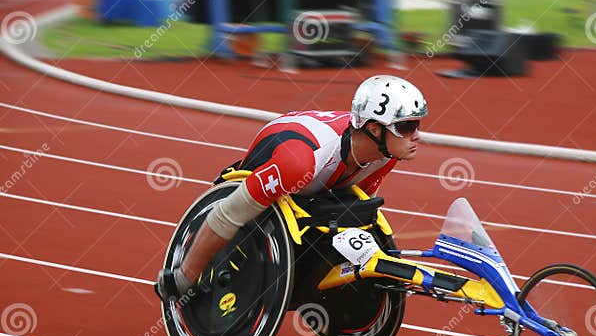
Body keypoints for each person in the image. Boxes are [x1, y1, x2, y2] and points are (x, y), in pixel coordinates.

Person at [155, 75, 428, 302]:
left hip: (318, 168)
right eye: (406, 127)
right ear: (374, 129)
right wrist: (183, 277)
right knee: (249, 205)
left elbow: (351, 212)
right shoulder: (301, 163)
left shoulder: (385, 155)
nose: (417, 135)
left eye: (417, 124)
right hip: (287, 154)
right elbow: (228, 214)